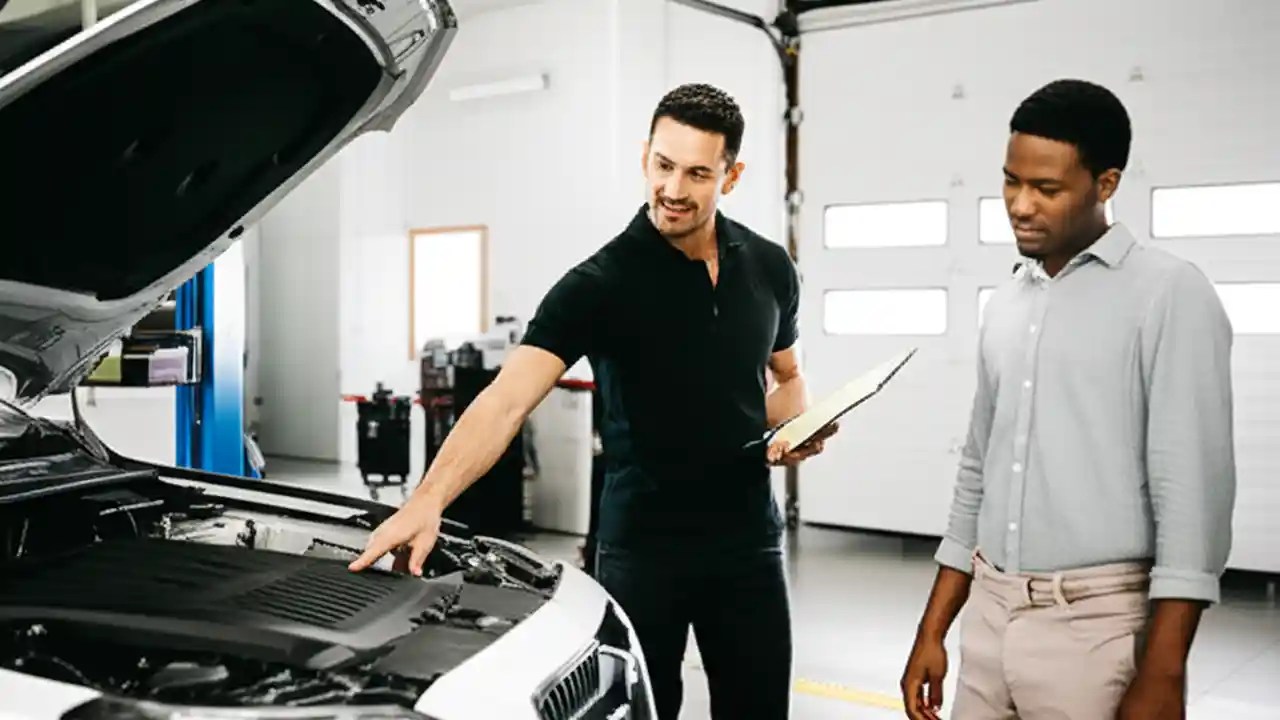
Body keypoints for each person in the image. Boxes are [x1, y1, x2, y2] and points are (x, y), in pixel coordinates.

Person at [349, 82, 835, 719]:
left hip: (750, 544)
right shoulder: (599, 285)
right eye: (662, 165)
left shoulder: (770, 268)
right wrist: (427, 500)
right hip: (645, 552)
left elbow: (788, 378)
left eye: (697, 174)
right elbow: (505, 401)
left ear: (731, 176)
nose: (673, 189)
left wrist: (796, 427)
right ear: (644, 157)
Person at [901, 78, 1236, 720]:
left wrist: (1164, 672)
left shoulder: (1168, 295)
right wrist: (933, 629)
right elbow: (977, 472)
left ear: (1106, 184)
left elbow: (1193, 500)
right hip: (989, 616)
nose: (1020, 205)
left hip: (1097, 629)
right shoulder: (1006, 303)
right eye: (1011, 182)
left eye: (1047, 189)